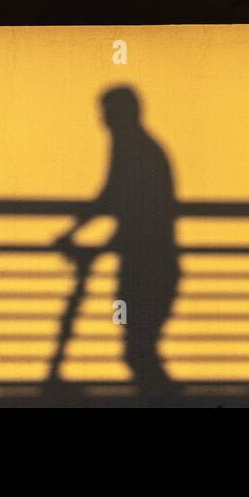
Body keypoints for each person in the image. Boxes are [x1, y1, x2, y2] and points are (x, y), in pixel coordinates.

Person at [52, 86, 179, 395]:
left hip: (146, 270)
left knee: (137, 349)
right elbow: (117, 201)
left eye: (108, 113)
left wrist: (78, 237)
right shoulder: (138, 146)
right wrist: (82, 238)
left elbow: (122, 205)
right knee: (138, 349)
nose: (103, 121)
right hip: (150, 267)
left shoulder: (132, 148)